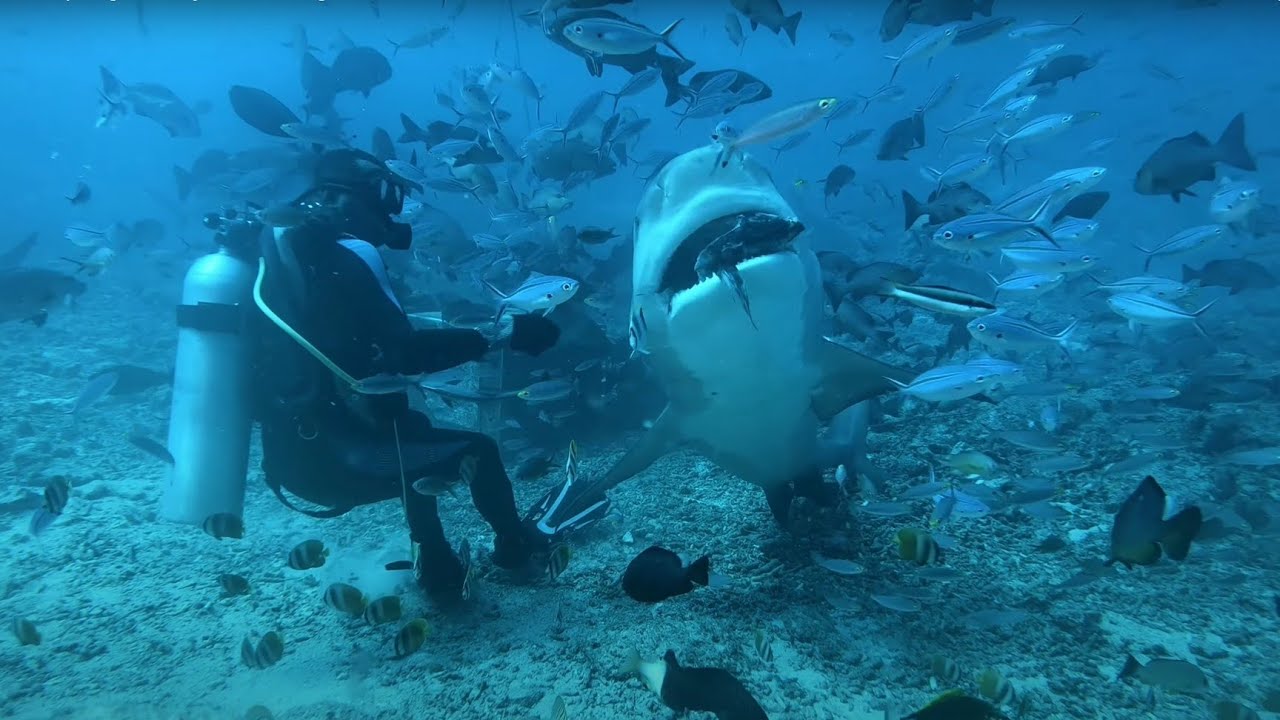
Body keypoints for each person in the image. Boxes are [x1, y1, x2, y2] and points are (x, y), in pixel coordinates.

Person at [246, 149, 559, 602]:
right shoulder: (351, 251)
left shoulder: (280, 249)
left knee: (409, 429)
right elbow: (406, 355)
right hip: (344, 459)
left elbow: (348, 348)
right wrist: (504, 335)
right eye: (388, 196)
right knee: (481, 451)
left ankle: (435, 565)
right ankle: (517, 551)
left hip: (290, 458)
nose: (393, 213)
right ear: (365, 195)